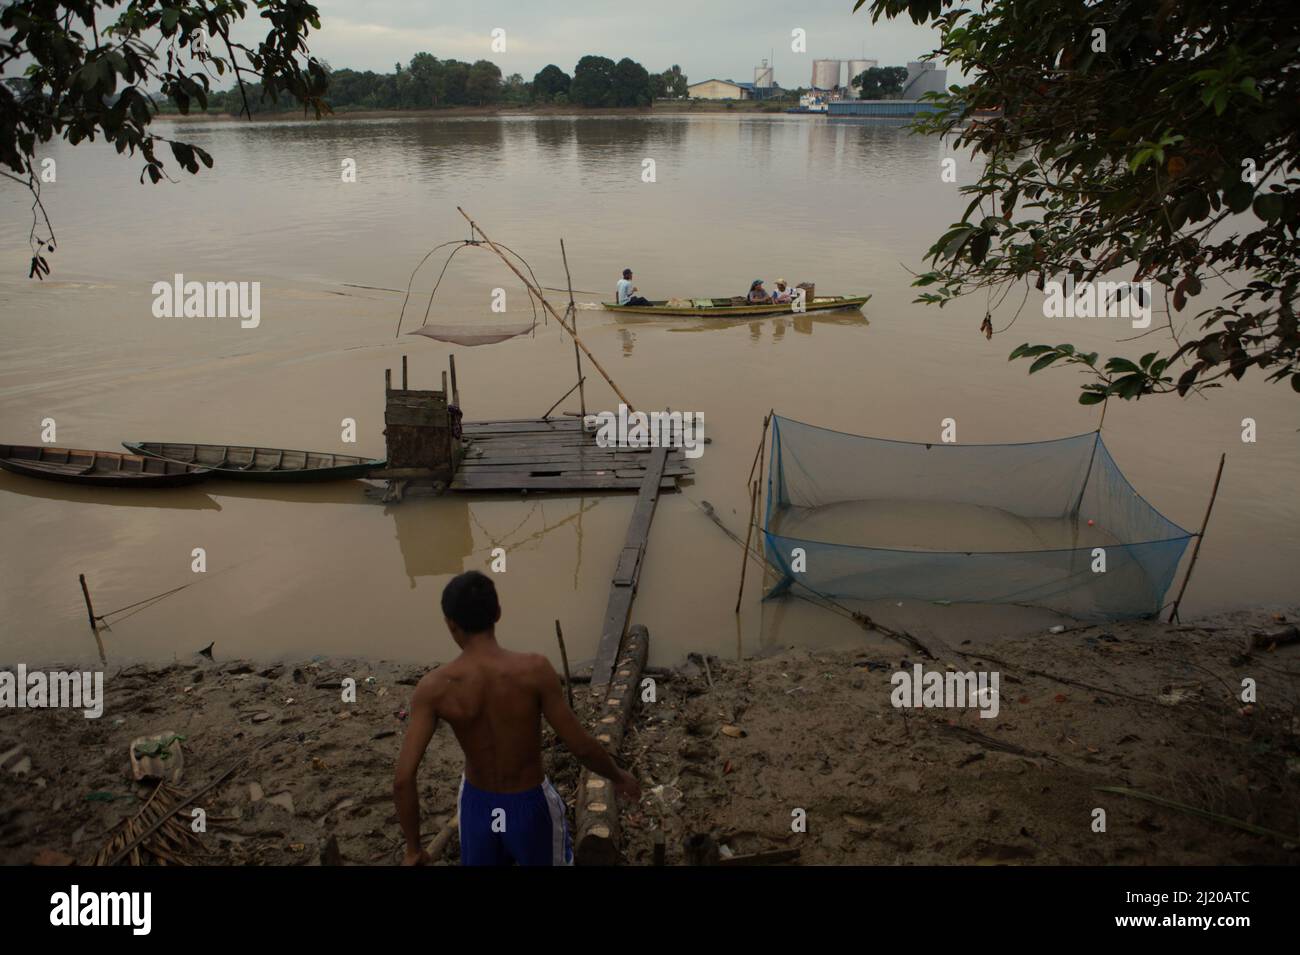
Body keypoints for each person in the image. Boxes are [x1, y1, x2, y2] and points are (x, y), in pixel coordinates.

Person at [394, 571, 640, 866]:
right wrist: (618, 776)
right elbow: (582, 747)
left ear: (450, 624)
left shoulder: (434, 687)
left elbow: (403, 779)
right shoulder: (534, 671)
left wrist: (413, 849)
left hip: (477, 807)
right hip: (529, 806)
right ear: (498, 612)